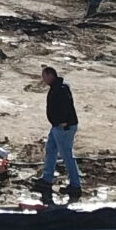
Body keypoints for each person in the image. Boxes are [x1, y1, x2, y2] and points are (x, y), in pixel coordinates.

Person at [35, 65, 82, 203]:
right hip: (57, 126)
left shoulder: (61, 89)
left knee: (66, 155)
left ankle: (75, 184)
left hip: (63, 128)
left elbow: (66, 106)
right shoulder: (58, 87)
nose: (43, 79)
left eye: (44, 76)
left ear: (51, 75)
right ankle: (47, 179)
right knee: (50, 149)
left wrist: (63, 121)